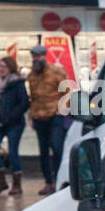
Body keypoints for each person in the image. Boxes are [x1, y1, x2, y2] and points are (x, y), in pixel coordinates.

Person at [26, 44, 69, 195]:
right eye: (33, 57)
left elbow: (68, 92)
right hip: (39, 116)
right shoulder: (31, 75)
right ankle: (48, 182)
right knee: (43, 151)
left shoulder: (56, 71)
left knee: (57, 148)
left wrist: (62, 110)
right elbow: (33, 97)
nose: (35, 60)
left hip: (54, 115)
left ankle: (59, 180)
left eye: (38, 56)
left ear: (44, 56)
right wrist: (31, 116)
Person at [0, 56, 29, 196]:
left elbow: (24, 103)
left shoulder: (17, 82)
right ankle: (1, 181)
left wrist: (11, 115)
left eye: (4, 66)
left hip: (13, 123)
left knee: (12, 152)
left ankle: (17, 184)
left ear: (10, 67)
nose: (1, 69)